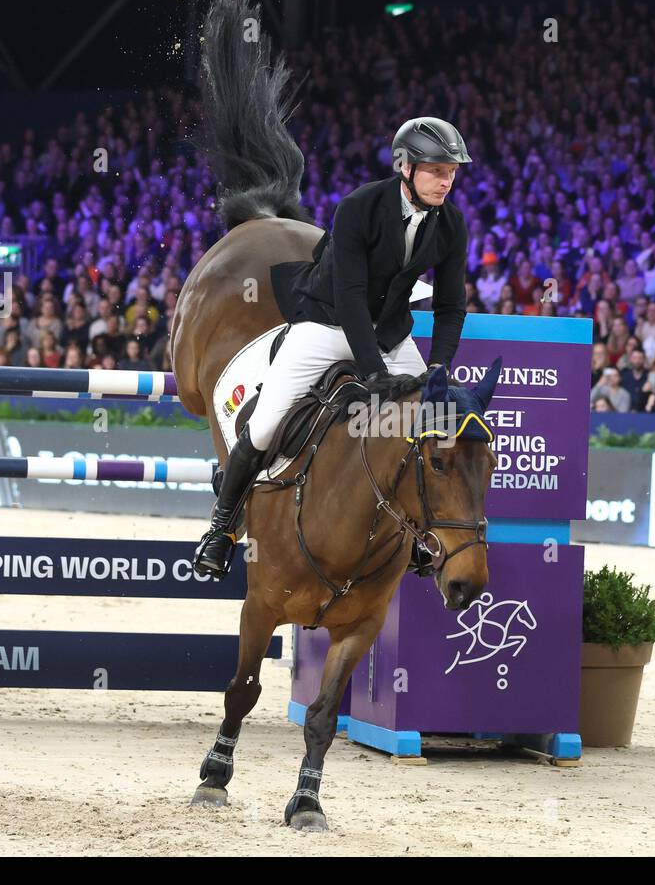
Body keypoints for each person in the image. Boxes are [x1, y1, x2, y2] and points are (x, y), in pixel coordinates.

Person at [194, 117, 472, 578]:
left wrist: (439, 367)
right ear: (406, 167)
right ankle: (221, 530)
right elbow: (349, 296)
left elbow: (451, 304)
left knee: (439, 424)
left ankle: (420, 532)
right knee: (265, 425)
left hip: (389, 332)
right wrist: (371, 370)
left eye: (452, 172)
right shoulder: (359, 207)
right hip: (326, 324)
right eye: (437, 170)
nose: (447, 181)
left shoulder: (451, 224)